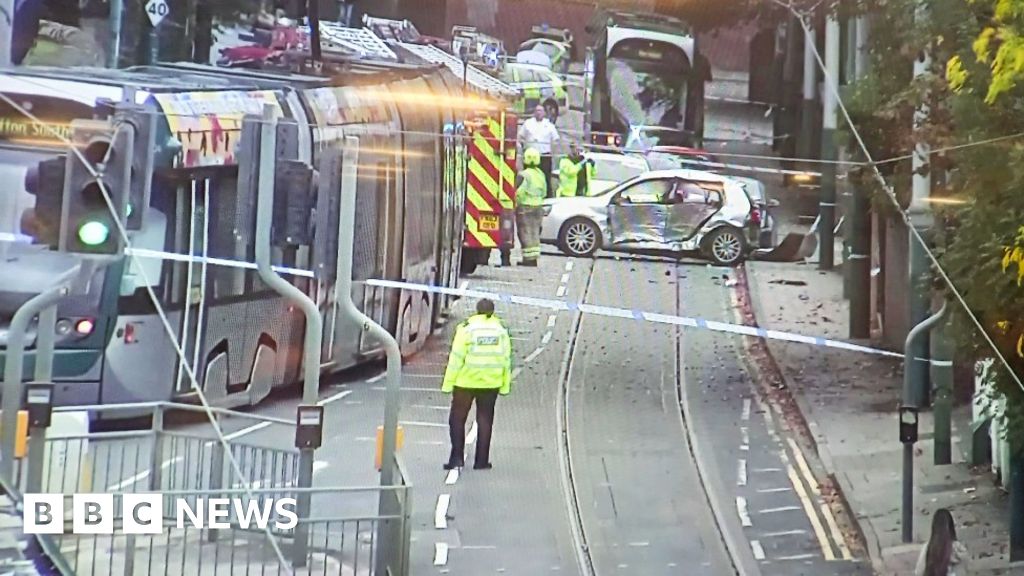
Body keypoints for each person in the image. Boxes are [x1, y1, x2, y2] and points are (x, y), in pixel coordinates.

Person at [442, 299, 512, 470]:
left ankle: (457, 458)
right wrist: (504, 385)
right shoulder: (501, 331)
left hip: (465, 382)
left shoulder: (466, 329)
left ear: (477, 311)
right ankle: (481, 461)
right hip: (491, 383)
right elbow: (506, 359)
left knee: (457, 419)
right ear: (492, 312)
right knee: (485, 420)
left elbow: (456, 358)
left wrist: (448, 384)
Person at [519, 105, 560, 198]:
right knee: (528, 177)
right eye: (537, 110)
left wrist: (552, 149)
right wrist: (523, 148)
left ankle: (546, 197)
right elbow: (520, 136)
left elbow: (556, 139)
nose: (538, 112)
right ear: (534, 112)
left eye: (540, 111)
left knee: (545, 178)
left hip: (544, 156)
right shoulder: (528, 123)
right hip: (529, 157)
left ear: (544, 113)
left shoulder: (549, 125)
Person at [515, 148, 547, 266]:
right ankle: (534, 258)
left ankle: (528, 259)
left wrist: (516, 202)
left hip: (526, 207)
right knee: (535, 232)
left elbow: (520, 191)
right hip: (538, 207)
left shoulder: (524, 175)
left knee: (525, 232)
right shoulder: (541, 174)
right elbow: (544, 191)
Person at [916, 508, 970, 576]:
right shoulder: (959, 550)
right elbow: (966, 569)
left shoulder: (928, 547)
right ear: (951, 527)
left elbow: (919, 572)